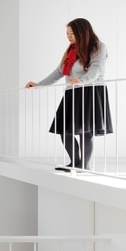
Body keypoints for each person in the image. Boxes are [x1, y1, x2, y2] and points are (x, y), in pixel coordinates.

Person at [25, 18, 113, 171]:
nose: (69, 36)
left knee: (86, 131)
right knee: (64, 130)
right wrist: (39, 85)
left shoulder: (98, 47)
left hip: (90, 91)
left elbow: (97, 69)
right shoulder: (72, 50)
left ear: (82, 32)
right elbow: (58, 72)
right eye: (67, 33)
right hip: (73, 91)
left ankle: (83, 166)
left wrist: (82, 80)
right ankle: (75, 163)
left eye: (72, 33)